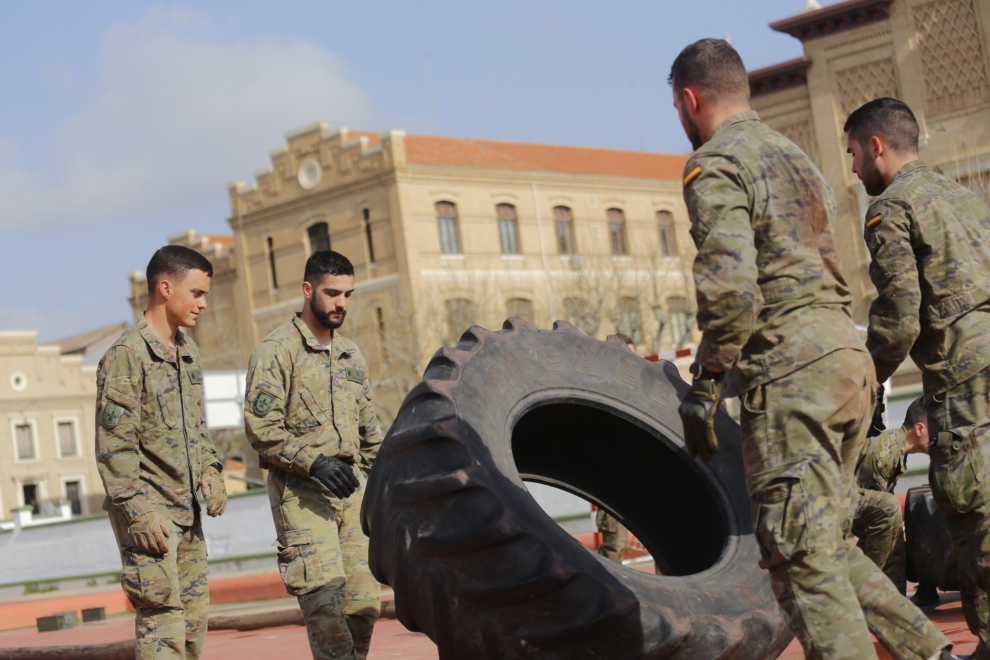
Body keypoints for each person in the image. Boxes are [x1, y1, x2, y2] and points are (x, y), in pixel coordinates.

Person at [671, 39, 956, 660]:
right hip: (845, 363)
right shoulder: (796, 156)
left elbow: (729, 287)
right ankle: (933, 651)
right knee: (820, 545)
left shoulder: (714, 163)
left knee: (800, 556)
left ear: (689, 101)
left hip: (791, 373)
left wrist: (705, 386)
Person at [846, 96, 990, 659]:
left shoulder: (891, 211)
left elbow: (899, 316)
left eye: (855, 153)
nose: (854, 169)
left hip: (963, 377)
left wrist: (865, 381)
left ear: (876, 146)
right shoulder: (966, 197)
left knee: (972, 507)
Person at [244, 250, 383, 660]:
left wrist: (386, 490)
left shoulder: (351, 354)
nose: (341, 303)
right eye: (332, 293)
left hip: (352, 494)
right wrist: (314, 462)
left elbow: (371, 433)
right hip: (302, 494)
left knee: (364, 606)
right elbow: (261, 428)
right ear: (308, 291)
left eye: (348, 294)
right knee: (326, 608)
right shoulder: (278, 350)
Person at [95, 245, 227, 660]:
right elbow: (113, 447)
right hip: (149, 518)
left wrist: (210, 467)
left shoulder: (187, 353)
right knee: (162, 623)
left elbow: (195, 428)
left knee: (192, 629)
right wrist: (137, 510)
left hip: (187, 514)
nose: (204, 303)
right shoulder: (126, 356)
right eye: (197, 293)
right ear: (165, 288)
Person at [852, 398, 929, 596]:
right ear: (919, 428)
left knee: (892, 529)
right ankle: (879, 597)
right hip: (827, 506)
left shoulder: (896, 451)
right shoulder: (885, 451)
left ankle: (890, 599)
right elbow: (857, 512)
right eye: (936, 428)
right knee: (888, 510)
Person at [596, 333, 636, 564]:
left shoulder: (644, 385)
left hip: (645, 474)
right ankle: (609, 596)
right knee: (614, 546)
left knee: (669, 544)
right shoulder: (601, 386)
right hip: (614, 478)